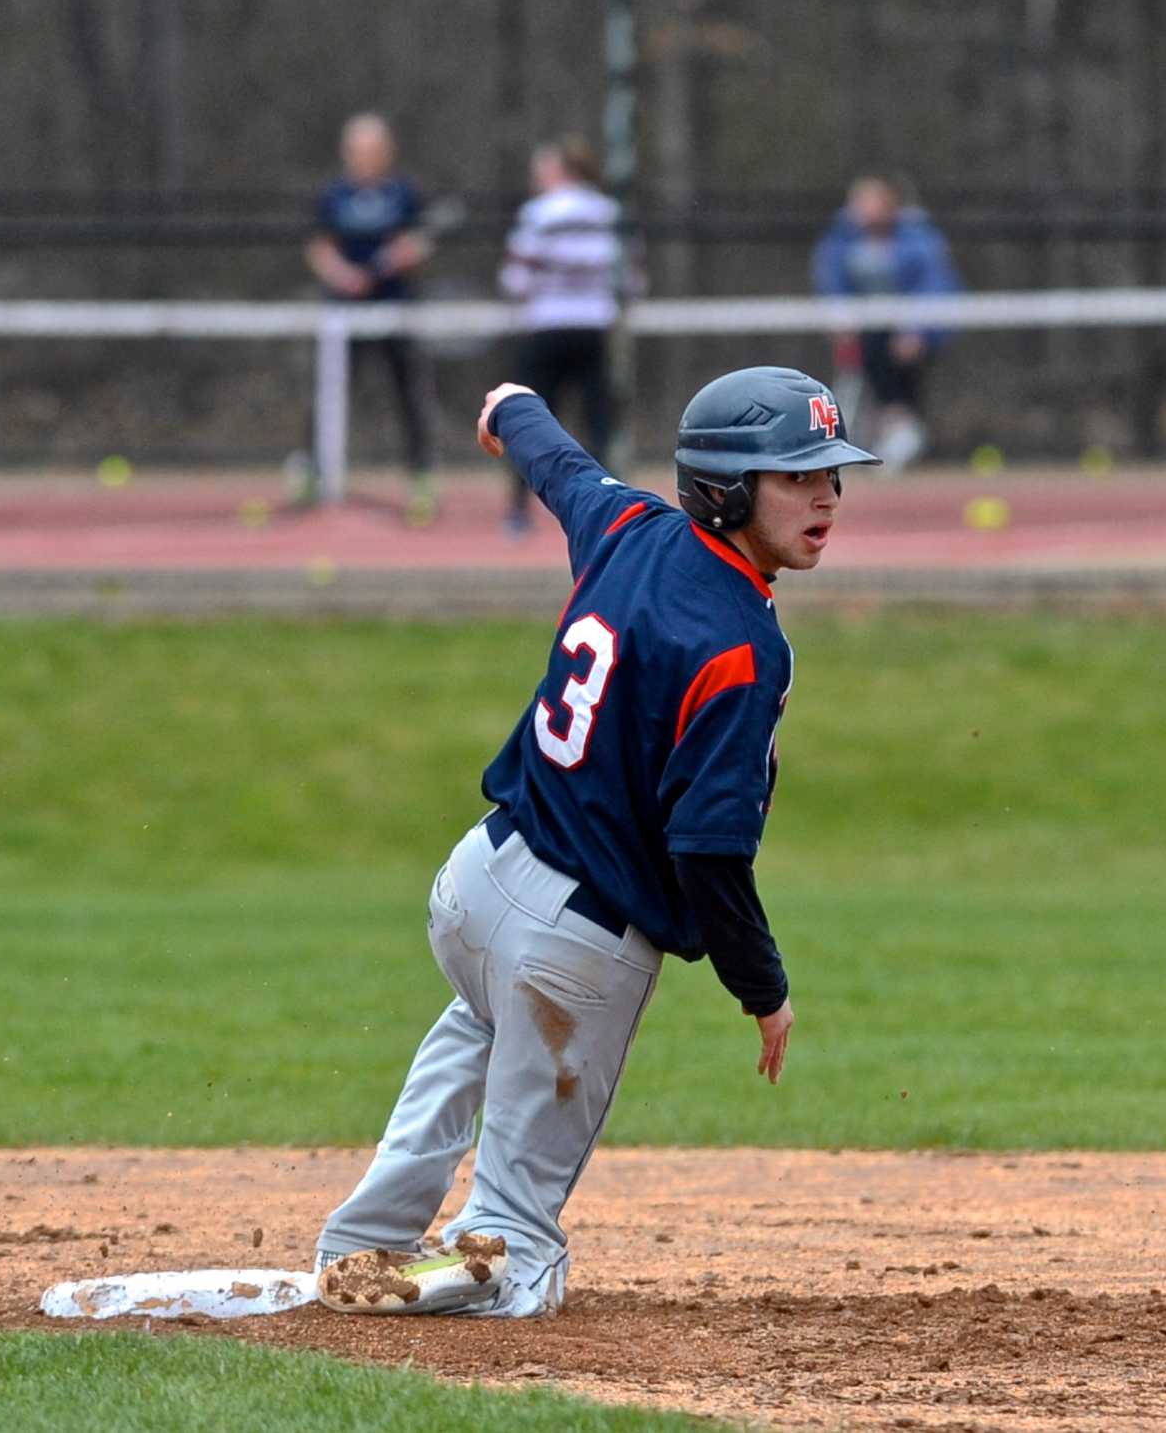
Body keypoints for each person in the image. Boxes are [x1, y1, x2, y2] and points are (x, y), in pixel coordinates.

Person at [314, 366, 880, 1317]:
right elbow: (708, 850)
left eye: (831, 474)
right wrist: (764, 989)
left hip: (477, 882)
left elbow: (562, 468)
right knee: (521, 1242)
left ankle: (363, 1237)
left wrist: (509, 408)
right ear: (726, 487)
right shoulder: (741, 647)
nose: (825, 494)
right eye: (795, 475)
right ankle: (468, 1277)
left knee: (474, 1030)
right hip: (574, 947)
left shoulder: (629, 526)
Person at [497, 134, 641, 539]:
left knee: (527, 420)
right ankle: (612, 515)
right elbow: (630, 278)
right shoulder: (610, 213)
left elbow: (514, 279)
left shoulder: (538, 213)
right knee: (598, 425)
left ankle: (519, 512)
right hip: (594, 329)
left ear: (561, 169)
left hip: (545, 328)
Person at [302, 112, 439, 523]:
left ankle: (420, 477)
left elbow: (419, 242)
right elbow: (318, 246)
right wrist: (344, 276)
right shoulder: (333, 195)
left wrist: (400, 257)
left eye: (374, 150)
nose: (367, 157)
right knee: (329, 392)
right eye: (359, 150)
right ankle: (311, 472)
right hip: (344, 313)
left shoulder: (404, 193)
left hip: (395, 308)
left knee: (408, 392)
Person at [811, 173, 962, 471]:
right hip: (865, 333)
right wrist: (840, 319)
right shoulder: (839, 241)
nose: (864, 210)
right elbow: (832, 283)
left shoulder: (919, 239)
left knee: (899, 363)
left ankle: (900, 426)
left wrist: (917, 329)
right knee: (870, 360)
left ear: (889, 205)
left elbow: (936, 285)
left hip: (914, 331)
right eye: (859, 203)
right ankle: (890, 429)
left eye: (872, 202)